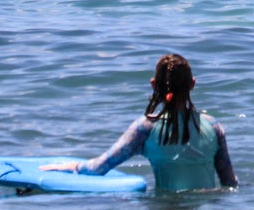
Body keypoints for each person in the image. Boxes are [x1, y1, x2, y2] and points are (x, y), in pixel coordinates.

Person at [42, 54, 237, 192]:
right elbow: (229, 184)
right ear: (192, 84)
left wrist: (73, 166)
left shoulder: (145, 128)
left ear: (153, 84)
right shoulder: (213, 126)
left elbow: (98, 168)